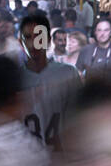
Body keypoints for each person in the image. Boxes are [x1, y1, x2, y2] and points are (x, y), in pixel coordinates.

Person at [17, 12, 81, 148]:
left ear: (48, 40)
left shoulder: (67, 74)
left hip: (61, 156)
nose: (35, 43)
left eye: (39, 37)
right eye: (28, 37)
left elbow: (79, 117)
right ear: (21, 42)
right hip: (25, 157)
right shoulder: (14, 79)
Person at [77, 16, 111, 93]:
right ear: (95, 32)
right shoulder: (85, 50)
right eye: (99, 30)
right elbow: (79, 74)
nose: (102, 34)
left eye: (106, 30)